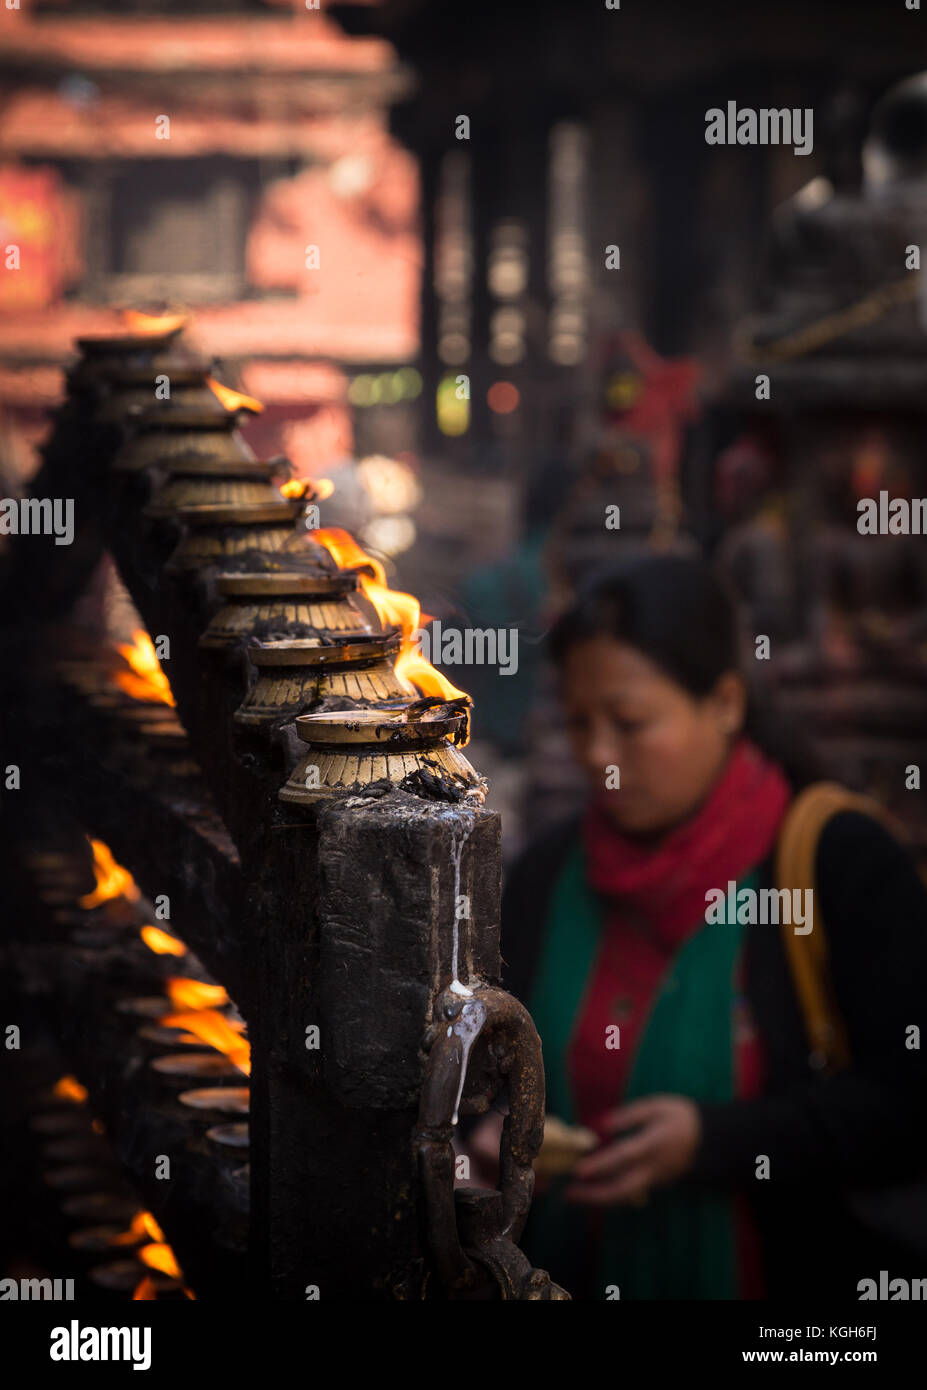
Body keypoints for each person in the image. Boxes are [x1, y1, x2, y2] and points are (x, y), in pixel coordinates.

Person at [498, 552, 927, 1300]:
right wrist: (489, 1146)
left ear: (725, 703)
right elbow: (489, 1078)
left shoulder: (836, 863)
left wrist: (716, 1143)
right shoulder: (544, 876)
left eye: (629, 724)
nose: (598, 757)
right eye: (578, 722)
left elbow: (907, 1105)